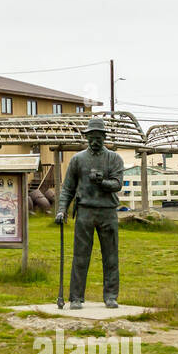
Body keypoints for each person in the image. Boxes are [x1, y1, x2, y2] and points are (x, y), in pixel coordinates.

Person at [54, 117, 124, 308]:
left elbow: (118, 184)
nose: (94, 141)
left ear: (104, 137)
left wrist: (102, 182)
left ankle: (111, 296)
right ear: (87, 138)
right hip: (84, 211)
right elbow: (67, 188)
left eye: (98, 138)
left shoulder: (114, 159)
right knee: (80, 256)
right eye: (91, 137)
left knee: (111, 256)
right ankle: (76, 297)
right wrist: (62, 210)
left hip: (108, 212)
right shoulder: (77, 160)